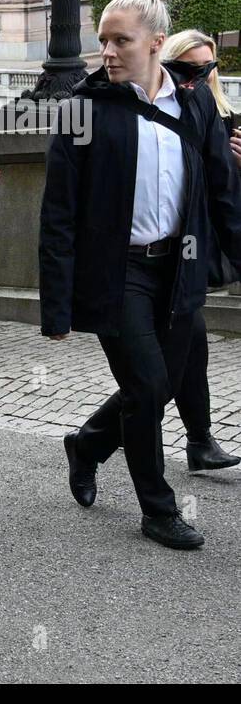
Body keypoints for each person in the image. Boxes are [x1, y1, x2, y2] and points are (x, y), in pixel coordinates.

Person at [41, 0, 241, 551]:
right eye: (102, 40)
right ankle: (158, 508)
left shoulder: (195, 101)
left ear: (156, 43)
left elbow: (221, 189)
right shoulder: (83, 108)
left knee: (159, 385)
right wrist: (56, 306)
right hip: (117, 273)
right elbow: (57, 214)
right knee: (148, 383)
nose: (107, 52)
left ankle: (87, 444)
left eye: (120, 41)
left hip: (179, 267)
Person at [156, 30, 241, 472]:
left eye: (209, 67)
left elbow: (225, 187)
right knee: (164, 363)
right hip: (155, 251)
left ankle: (199, 441)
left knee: (191, 347)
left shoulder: (220, 112)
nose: (202, 75)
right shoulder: (163, 108)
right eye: (191, 67)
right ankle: (97, 438)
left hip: (195, 249)